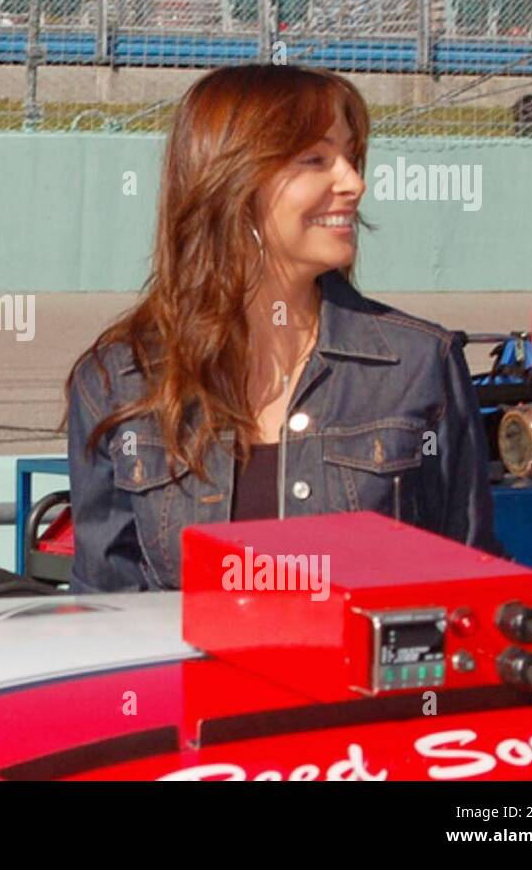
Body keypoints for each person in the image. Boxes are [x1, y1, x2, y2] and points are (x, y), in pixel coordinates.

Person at [65, 64, 500, 593]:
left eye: (351, 156)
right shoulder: (119, 381)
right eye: (315, 159)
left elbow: (471, 584)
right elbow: (107, 612)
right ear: (233, 183)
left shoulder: (418, 364)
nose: (354, 182)